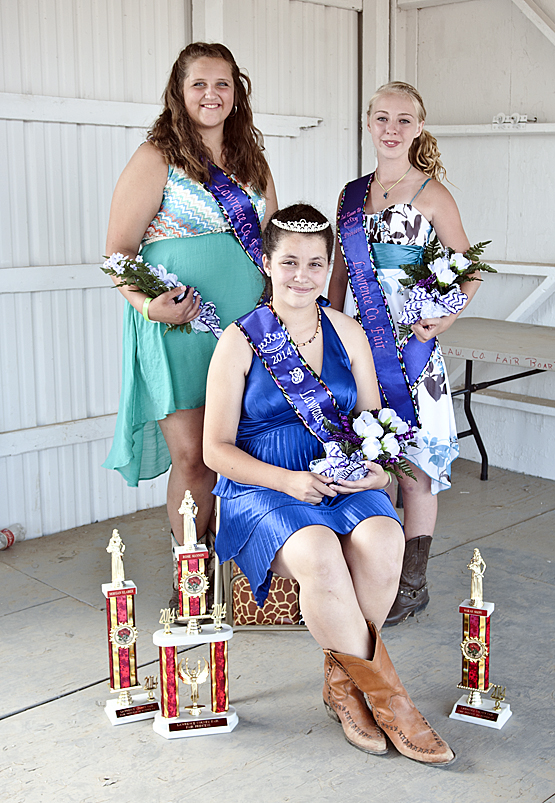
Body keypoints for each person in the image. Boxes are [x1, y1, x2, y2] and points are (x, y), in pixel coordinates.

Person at [203, 203, 454, 764]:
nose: (301, 275)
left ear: (328, 268)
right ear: (267, 263)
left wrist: (377, 469)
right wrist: (289, 482)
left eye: (315, 264)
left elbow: (372, 422)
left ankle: (343, 686)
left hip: (338, 476)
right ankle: (392, 703)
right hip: (266, 482)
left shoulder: (349, 332)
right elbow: (214, 451)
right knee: (318, 553)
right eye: (288, 261)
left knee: (386, 542)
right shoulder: (239, 341)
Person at [102, 43, 278, 589]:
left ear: (237, 90)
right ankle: (193, 579)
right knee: (196, 456)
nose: (211, 95)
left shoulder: (251, 157)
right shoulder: (156, 156)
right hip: (179, 329)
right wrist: (145, 303)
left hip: (245, 327)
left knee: (244, 446)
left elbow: (273, 243)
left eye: (222, 84)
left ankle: (244, 568)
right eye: (199, 84)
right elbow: (117, 253)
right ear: (179, 92)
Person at [329, 81, 479, 626]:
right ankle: (371, 569)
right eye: (382, 118)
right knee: (364, 459)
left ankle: (411, 584)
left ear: (419, 128)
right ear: (368, 123)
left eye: (404, 120)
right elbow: (341, 273)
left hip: (412, 351)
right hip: (359, 348)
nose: (391, 129)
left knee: (414, 468)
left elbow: (470, 268)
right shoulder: (349, 195)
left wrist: (448, 314)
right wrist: (329, 334)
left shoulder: (433, 195)